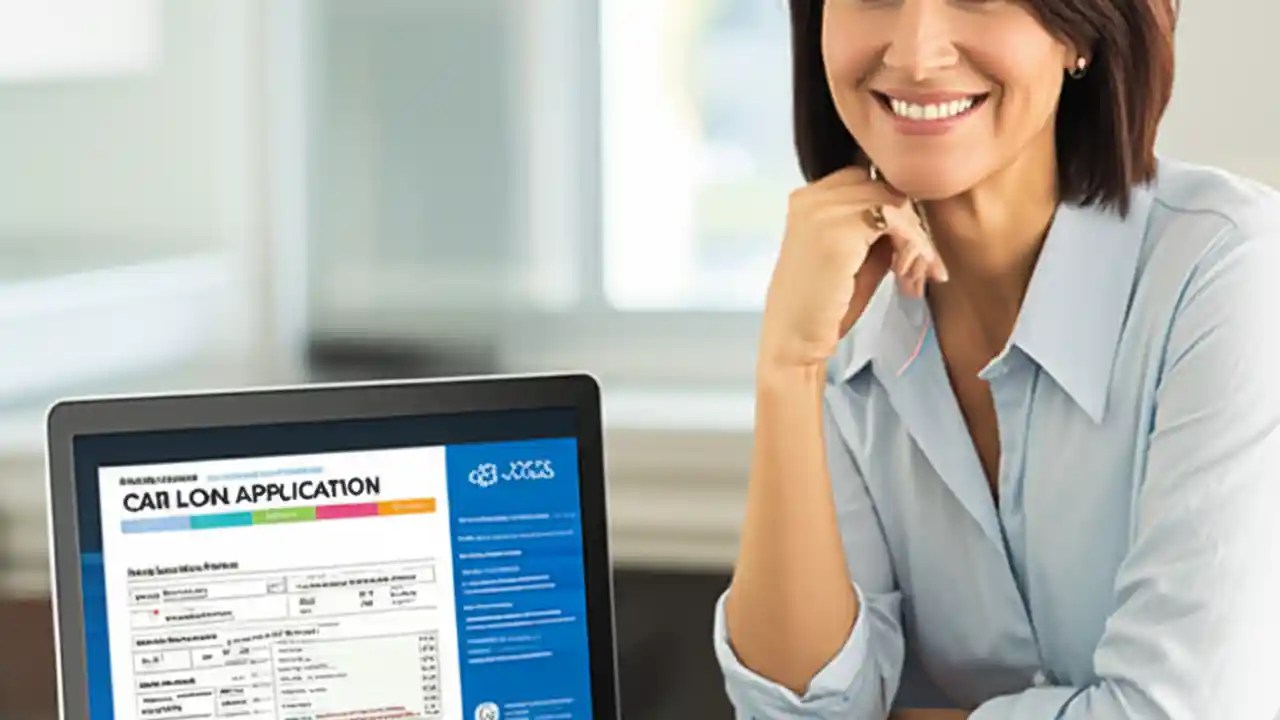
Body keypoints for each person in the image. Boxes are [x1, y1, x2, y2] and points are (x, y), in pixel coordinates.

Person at [715, 0, 1280, 718]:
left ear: (1082, 32)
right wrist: (788, 367)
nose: (917, 53)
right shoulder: (838, 316)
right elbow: (795, 709)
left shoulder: (1231, 273)